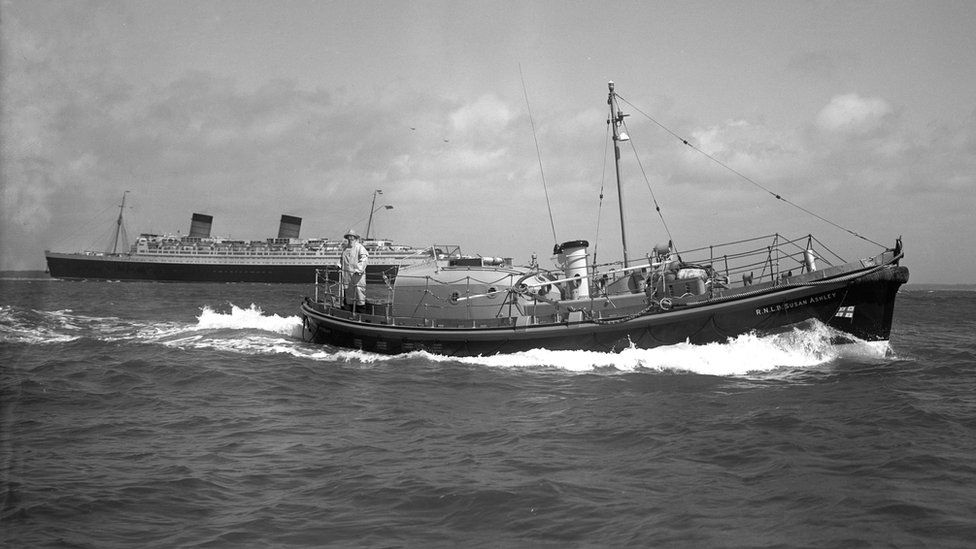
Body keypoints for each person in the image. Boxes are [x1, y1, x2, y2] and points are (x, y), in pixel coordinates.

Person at [340, 229, 369, 310]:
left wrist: (359, 269)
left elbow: (364, 259)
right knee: (348, 294)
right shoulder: (345, 249)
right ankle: (349, 312)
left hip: (357, 276)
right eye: (348, 237)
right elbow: (341, 260)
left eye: (352, 237)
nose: (350, 238)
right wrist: (338, 265)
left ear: (355, 238)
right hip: (347, 277)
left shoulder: (360, 247)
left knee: (359, 295)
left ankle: (361, 313)